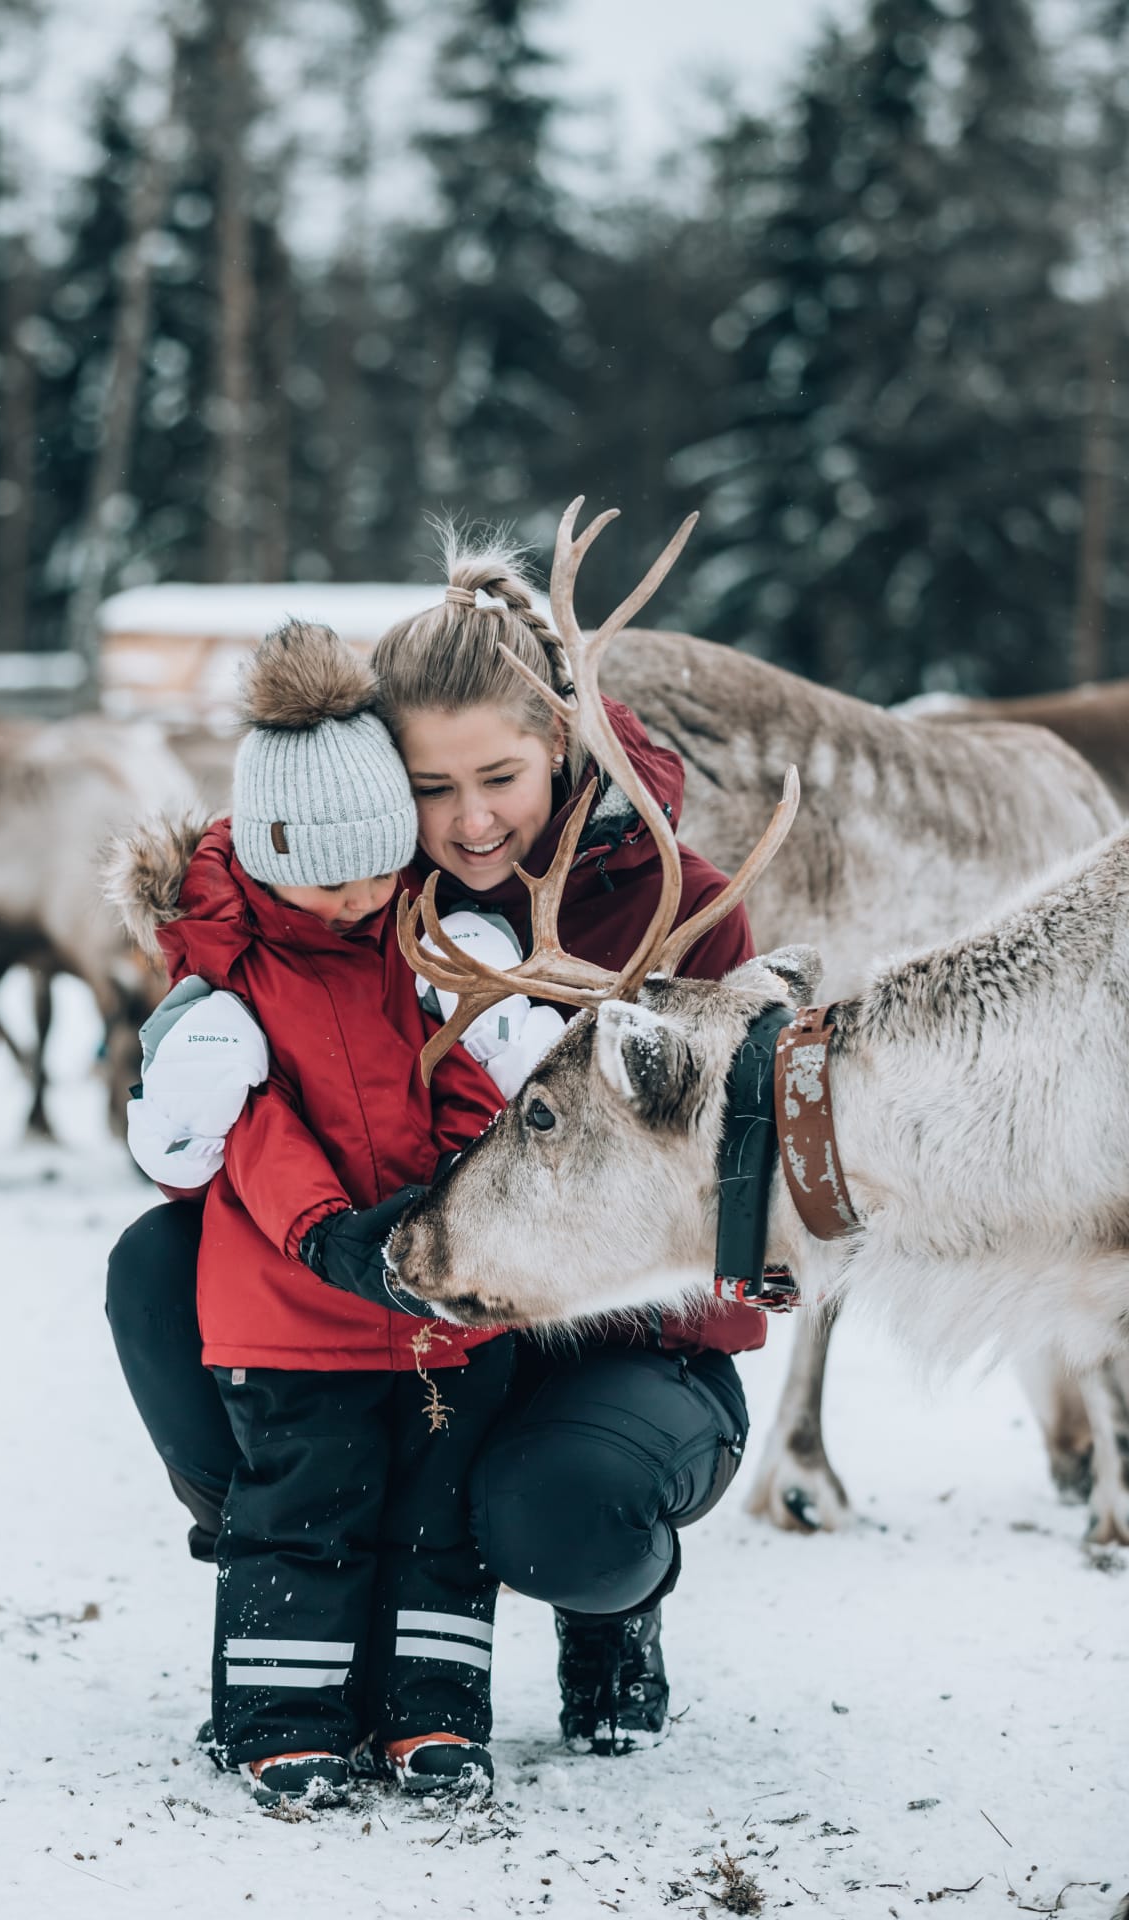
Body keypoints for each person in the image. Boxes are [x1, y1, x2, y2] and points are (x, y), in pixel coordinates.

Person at [106, 534, 765, 1763]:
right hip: (417, 1288)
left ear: (562, 741)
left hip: (625, 1330)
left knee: (546, 1510)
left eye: (501, 777)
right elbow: (217, 1112)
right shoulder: (346, 891)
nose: (468, 823)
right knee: (158, 1264)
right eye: (426, 789)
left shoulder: (683, 906)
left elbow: (732, 1187)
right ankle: (299, 1575)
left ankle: (607, 1610)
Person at [103, 618, 520, 1810]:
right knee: (306, 1514)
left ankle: (429, 1719)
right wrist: (331, 1230)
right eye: (328, 873)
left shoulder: (420, 941)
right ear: (272, 854)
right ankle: (280, 1719)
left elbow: (462, 1077)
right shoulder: (234, 982)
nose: (359, 894)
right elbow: (257, 1130)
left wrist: (454, 1198)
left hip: (439, 1303)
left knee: (441, 1523)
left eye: (381, 864)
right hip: (295, 1303)